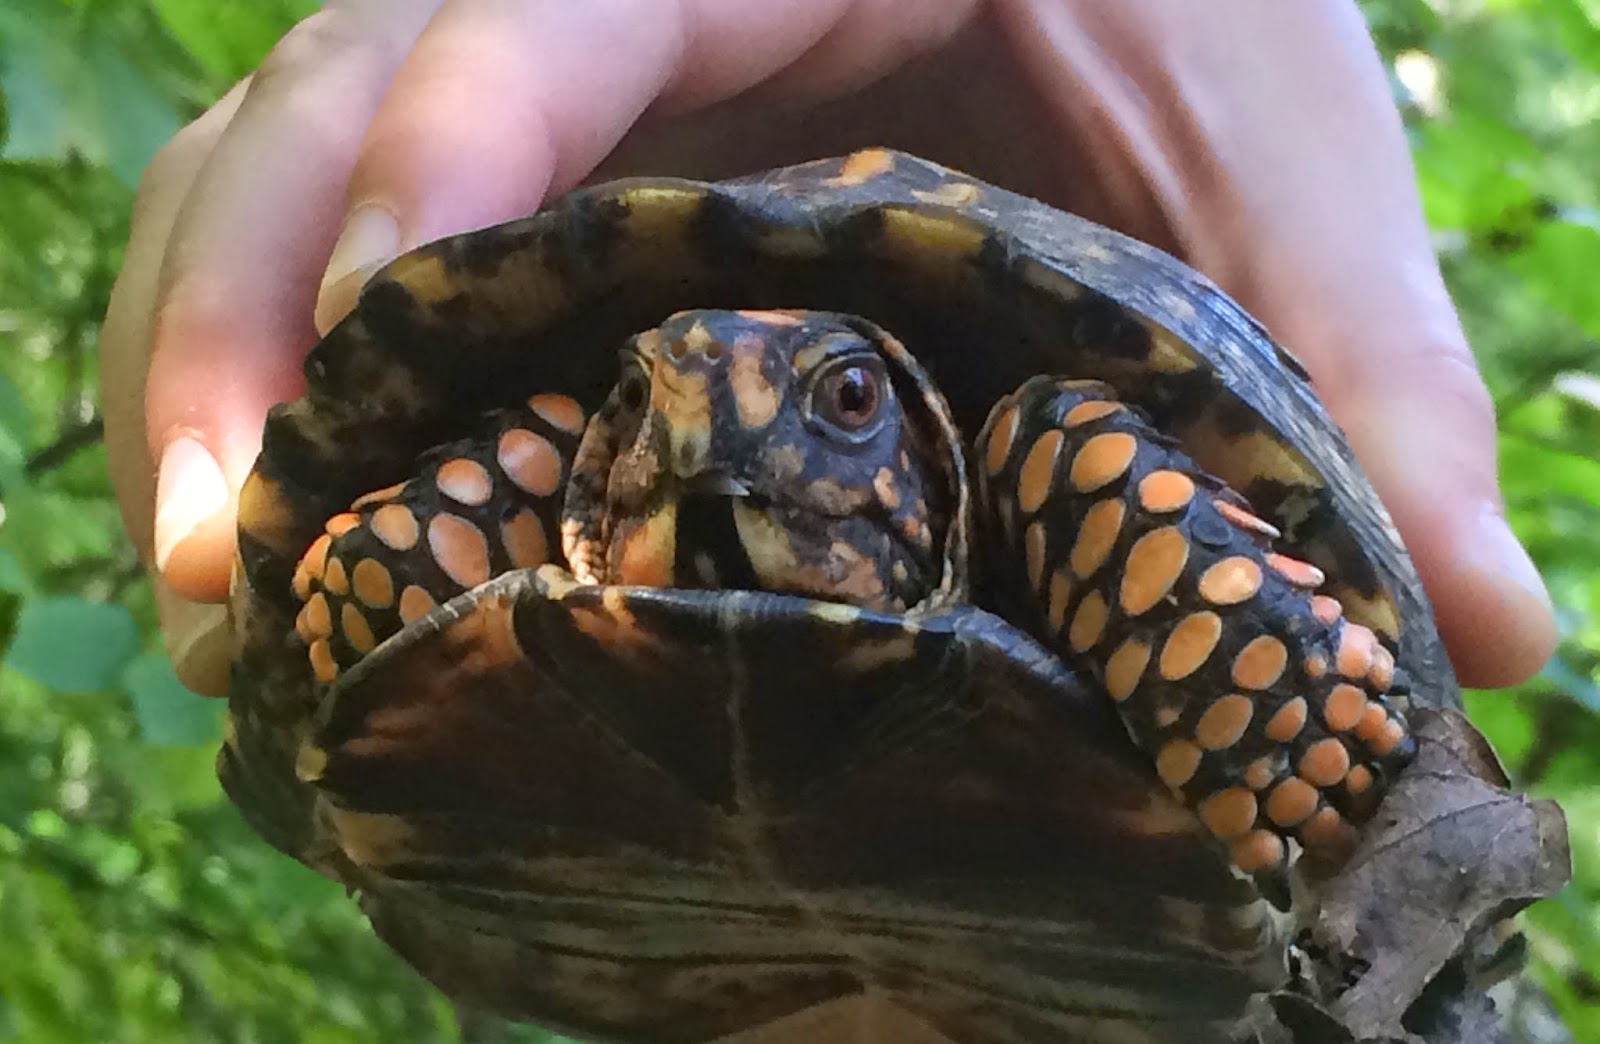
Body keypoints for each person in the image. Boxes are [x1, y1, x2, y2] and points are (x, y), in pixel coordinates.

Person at [101, 0, 1557, 696]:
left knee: (1083, 457)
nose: (714, 440)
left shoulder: (1051, 468)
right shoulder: (571, 481)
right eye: (645, 405)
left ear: (928, 443)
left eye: (843, 404)